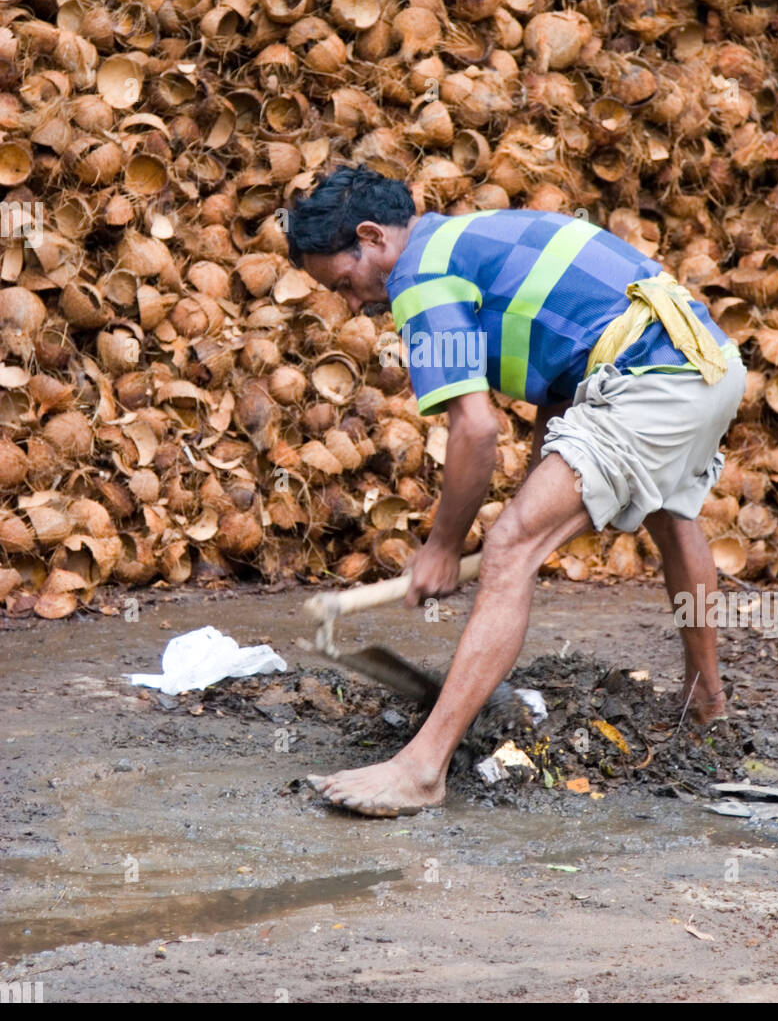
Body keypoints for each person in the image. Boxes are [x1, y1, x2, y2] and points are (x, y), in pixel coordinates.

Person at [286, 165, 747, 817]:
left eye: (344, 282)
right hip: (707, 363)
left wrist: (443, 547)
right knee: (672, 521)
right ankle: (708, 707)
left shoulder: (420, 272)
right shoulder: (476, 239)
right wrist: (542, 484)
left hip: (650, 376)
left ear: (372, 238)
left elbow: (475, 429)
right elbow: (564, 378)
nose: (356, 302)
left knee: (508, 549)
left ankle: (421, 770)